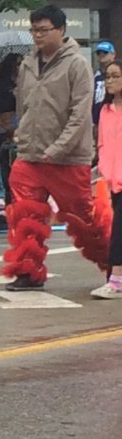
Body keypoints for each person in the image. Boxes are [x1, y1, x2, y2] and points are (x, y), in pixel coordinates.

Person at [2, 5, 109, 292]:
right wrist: (21, 135)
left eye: (43, 30)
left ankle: (115, 264)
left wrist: (60, 147)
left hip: (67, 159)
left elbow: (80, 112)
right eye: (33, 30)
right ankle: (28, 271)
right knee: (26, 215)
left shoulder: (77, 64)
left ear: (60, 30)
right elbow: (22, 105)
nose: (37, 36)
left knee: (83, 218)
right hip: (30, 155)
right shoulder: (27, 64)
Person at [92, 59, 122, 299]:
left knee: (120, 229)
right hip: (114, 180)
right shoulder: (105, 110)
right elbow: (102, 143)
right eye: (107, 76)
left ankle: (116, 280)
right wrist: (103, 168)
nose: (110, 81)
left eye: (115, 76)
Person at [92, 41, 116, 126]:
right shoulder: (94, 77)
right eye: (98, 53)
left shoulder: (119, 75)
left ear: (113, 54)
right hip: (97, 122)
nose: (101, 54)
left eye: (105, 52)